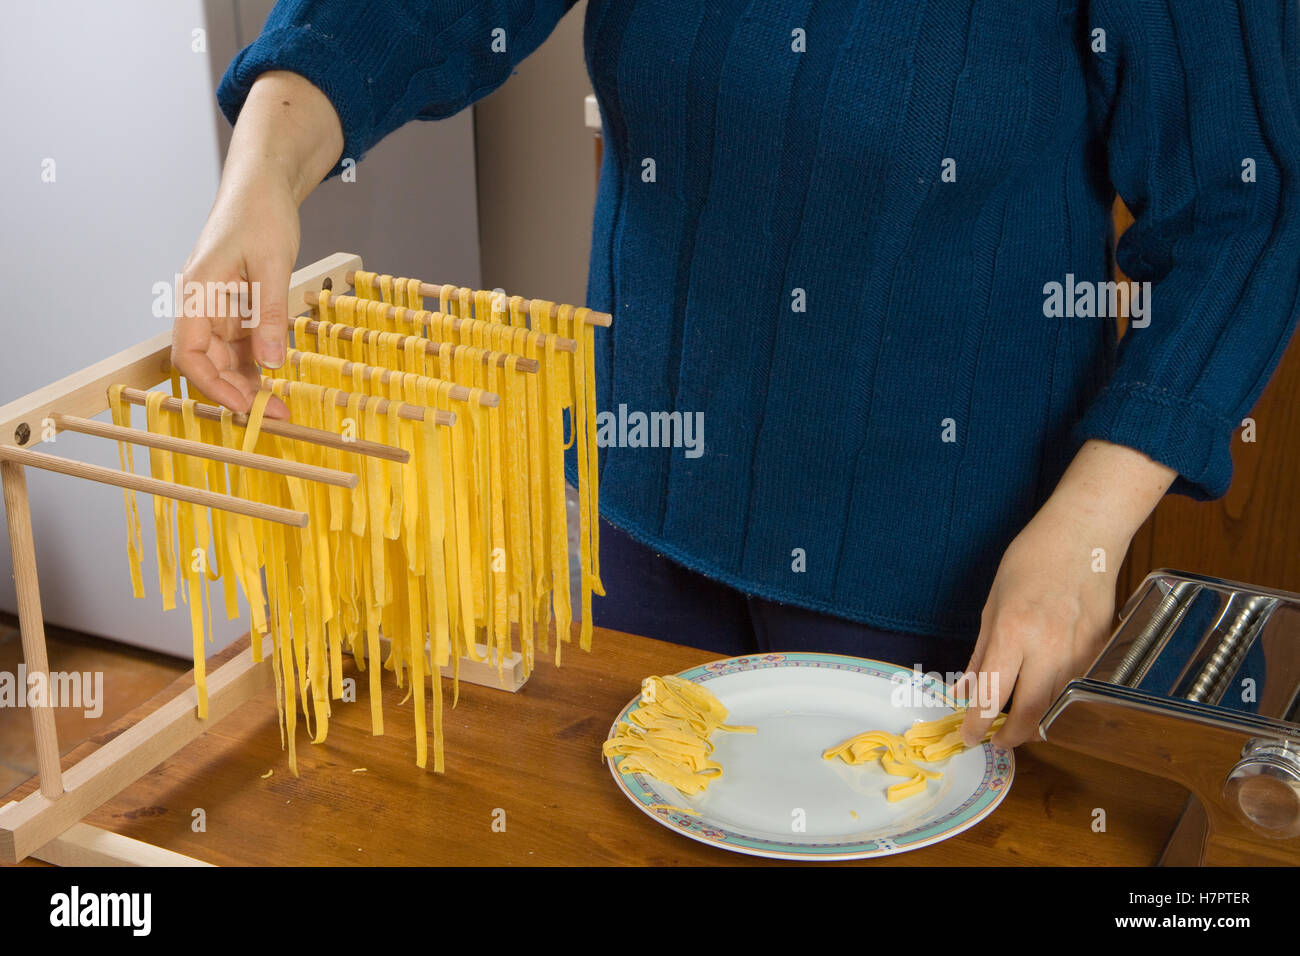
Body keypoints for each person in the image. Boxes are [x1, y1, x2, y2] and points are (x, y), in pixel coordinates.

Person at [172, 1, 1300, 750]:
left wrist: (1086, 537)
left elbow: (1247, 208)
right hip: (634, 510)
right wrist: (263, 173)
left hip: (950, 567)